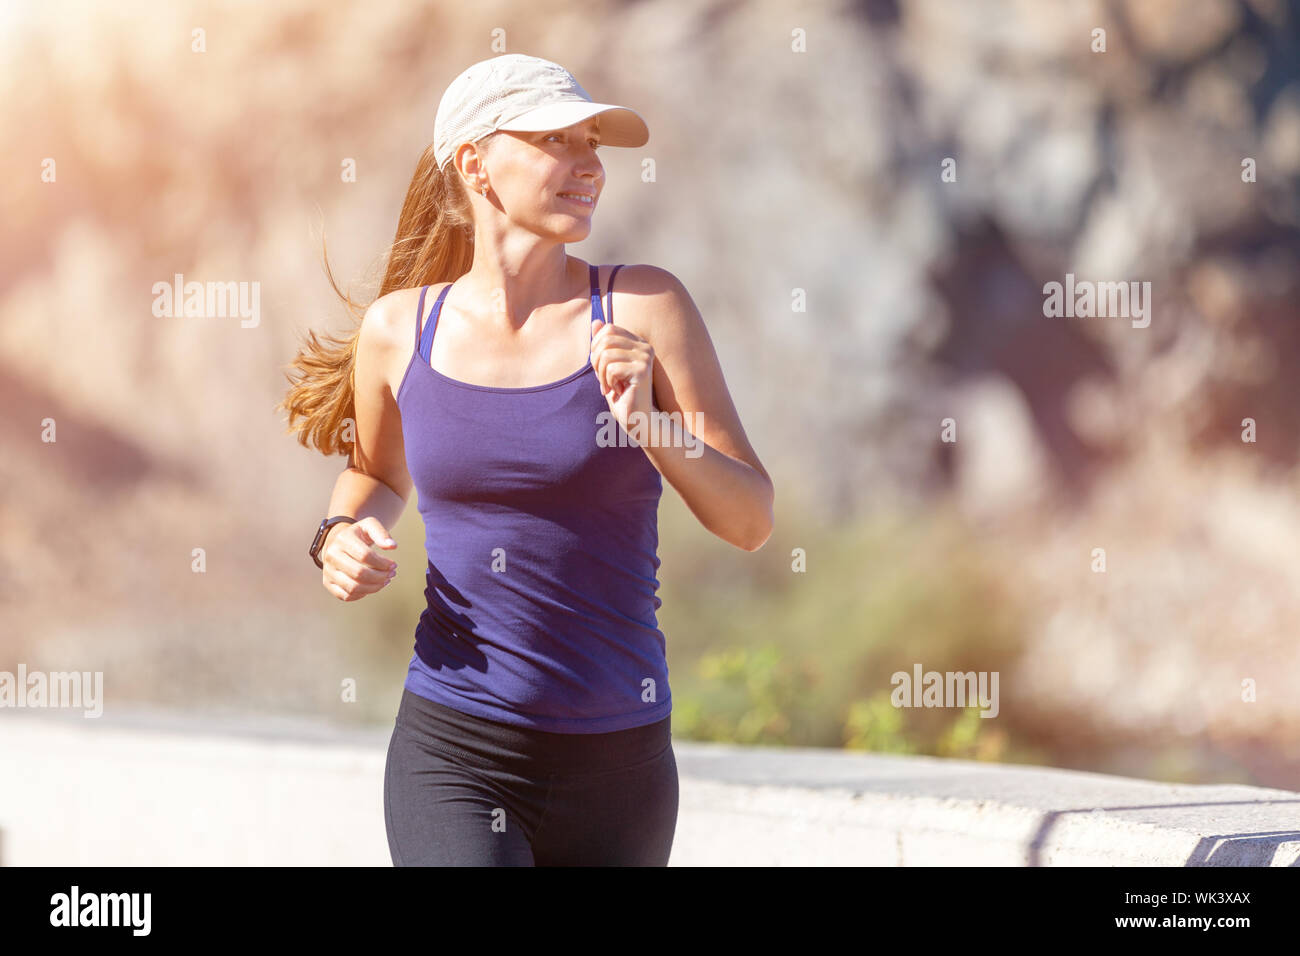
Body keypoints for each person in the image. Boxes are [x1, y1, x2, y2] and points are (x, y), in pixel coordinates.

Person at [278, 53, 774, 866]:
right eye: (557, 140)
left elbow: (751, 522)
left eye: (593, 144)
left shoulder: (644, 305)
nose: (589, 167)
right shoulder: (400, 330)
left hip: (619, 764)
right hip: (456, 749)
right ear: (475, 163)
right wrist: (339, 533)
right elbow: (375, 476)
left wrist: (652, 426)